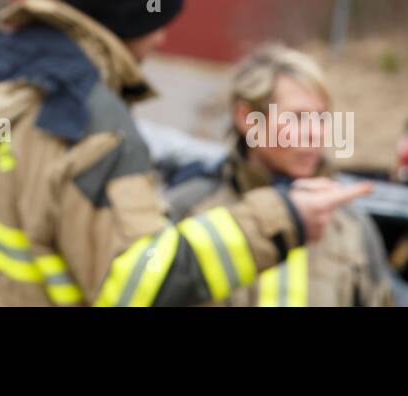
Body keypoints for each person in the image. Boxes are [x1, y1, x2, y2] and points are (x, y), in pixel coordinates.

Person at [0, 0, 371, 305]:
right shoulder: (95, 124)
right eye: (159, 22)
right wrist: (281, 218)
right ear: (134, 20)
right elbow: (144, 285)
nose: (162, 39)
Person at [167, 44, 393, 306]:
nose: (315, 134)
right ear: (248, 118)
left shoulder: (350, 226)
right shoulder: (189, 210)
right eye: (297, 117)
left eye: (321, 118)